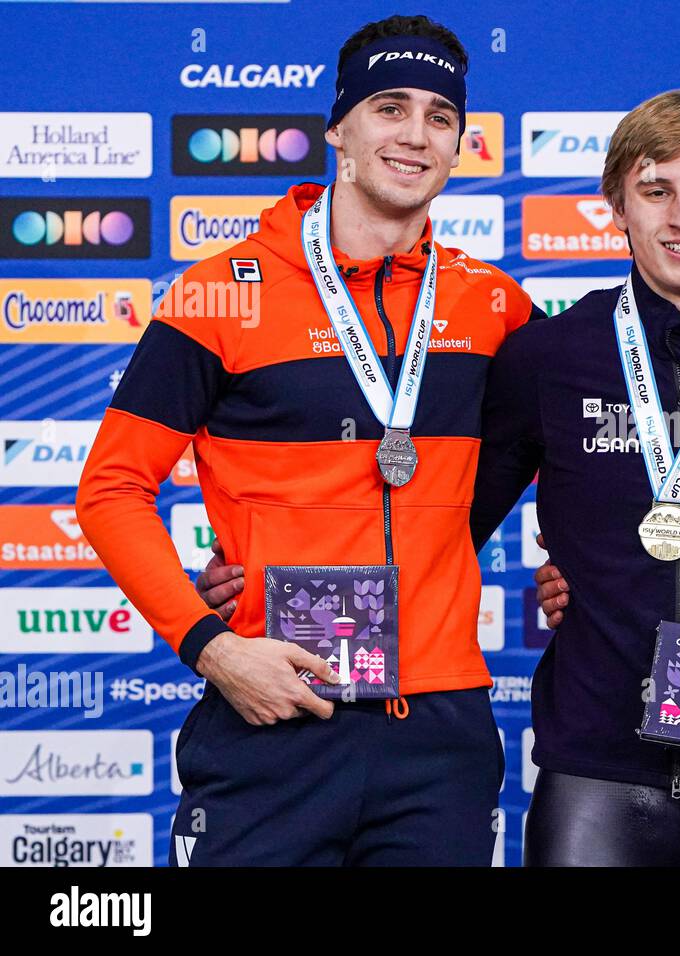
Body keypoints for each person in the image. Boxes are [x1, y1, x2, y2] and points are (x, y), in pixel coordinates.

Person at [200, 89, 680, 866]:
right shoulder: (550, 357)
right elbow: (433, 523)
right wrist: (263, 568)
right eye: (655, 191)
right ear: (617, 208)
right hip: (593, 765)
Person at [75, 14, 537, 866]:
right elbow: (110, 490)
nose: (415, 133)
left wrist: (589, 564)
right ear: (338, 128)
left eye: (441, 116)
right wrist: (211, 647)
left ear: (461, 143)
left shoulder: (492, 305)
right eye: (389, 107)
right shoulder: (221, 294)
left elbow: (585, 448)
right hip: (273, 716)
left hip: (440, 737)